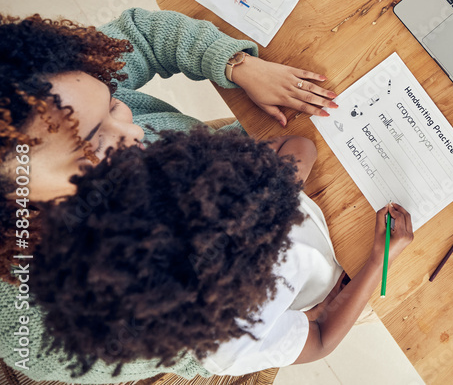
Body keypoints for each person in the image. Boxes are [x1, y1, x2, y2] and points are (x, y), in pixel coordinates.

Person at [0, 9, 339, 382]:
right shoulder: (52, 326)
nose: (135, 134)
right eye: (95, 142)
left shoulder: (62, 93)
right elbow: (212, 345)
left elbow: (142, 35)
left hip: (235, 173)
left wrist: (237, 65)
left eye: (113, 102)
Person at [29, 128, 414, 379]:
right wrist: (379, 260)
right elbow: (321, 339)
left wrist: (273, 188)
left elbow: (300, 146)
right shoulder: (227, 343)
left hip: (318, 212)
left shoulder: (222, 184)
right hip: (327, 286)